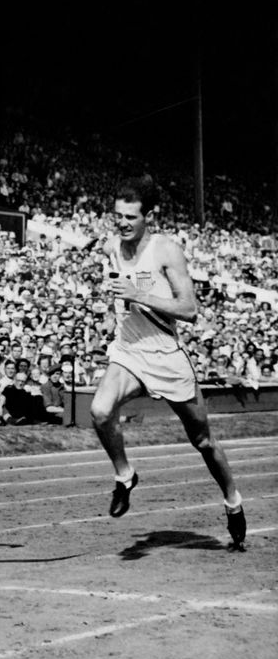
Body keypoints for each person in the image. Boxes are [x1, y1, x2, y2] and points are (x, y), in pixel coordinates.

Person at [92, 177, 246, 549]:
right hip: (129, 351)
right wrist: (113, 313)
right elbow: (118, 290)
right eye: (118, 216)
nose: (123, 223)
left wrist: (138, 294)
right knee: (99, 411)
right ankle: (125, 476)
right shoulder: (112, 246)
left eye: (131, 217)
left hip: (166, 356)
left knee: (204, 441)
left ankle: (233, 501)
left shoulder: (166, 250)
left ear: (149, 216)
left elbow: (190, 310)